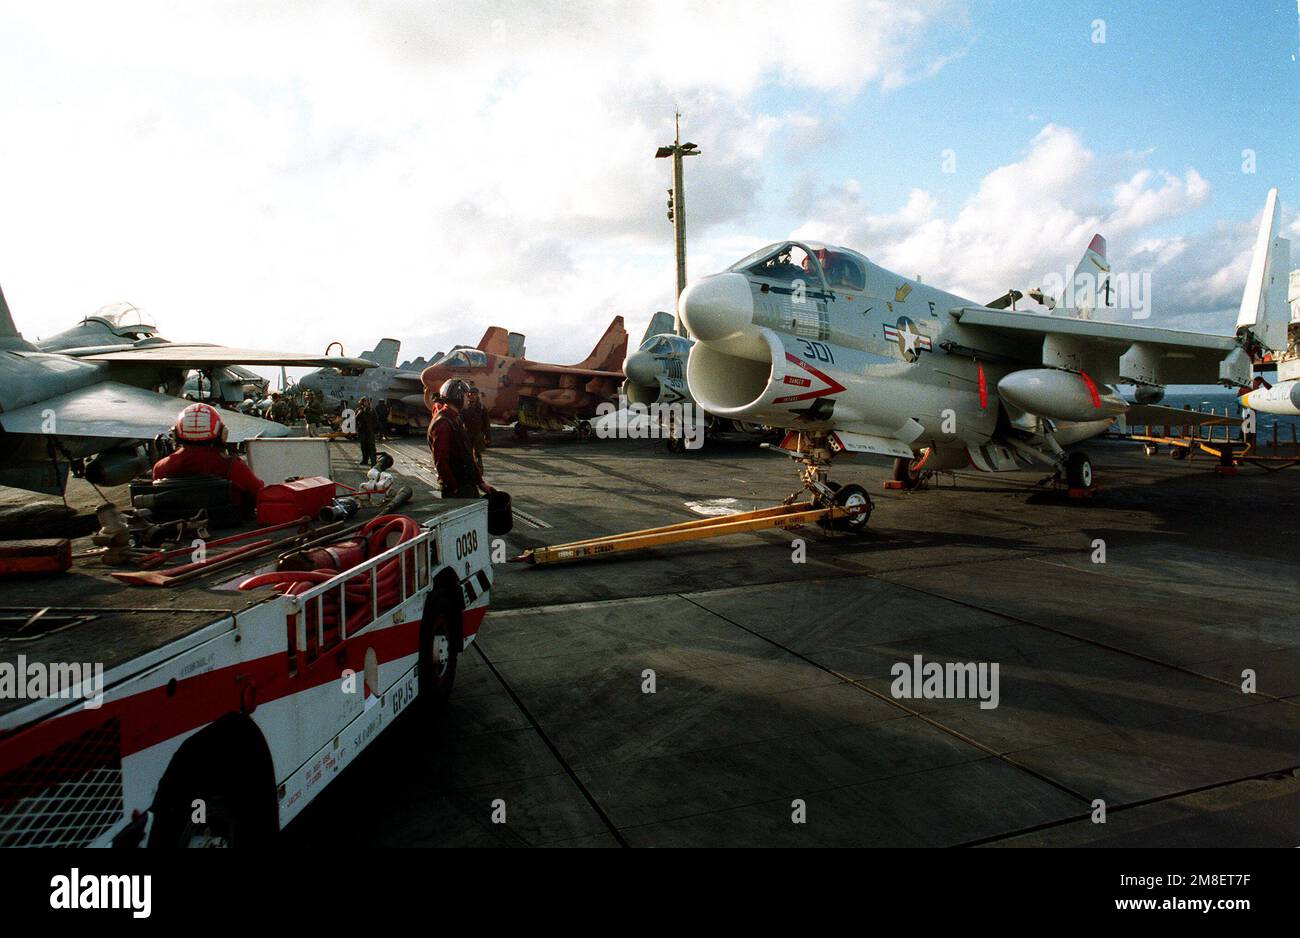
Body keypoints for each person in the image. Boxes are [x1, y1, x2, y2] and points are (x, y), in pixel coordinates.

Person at [152, 402, 265, 515]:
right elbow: (261, 496)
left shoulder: (160, 467)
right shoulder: (233, 467)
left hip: (176, 530)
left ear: (175, 433)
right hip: (228, 528)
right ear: (222, 434)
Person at [427, 378, 494, 499]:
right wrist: (454, 487)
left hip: (467, 484)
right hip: (459, 488)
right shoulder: (443, 423)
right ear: (458, 397)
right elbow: (441, 461)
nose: (467, 399)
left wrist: (480, 482)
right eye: (465, 396)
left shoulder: (454, 418)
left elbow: (467, 454)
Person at [460, 385, 492, 472]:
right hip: (467, 434)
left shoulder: (482, 408)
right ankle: (469, 471)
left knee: (478, 455)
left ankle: (479, 472)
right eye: (470, 394)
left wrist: (488, 437)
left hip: (478, 435)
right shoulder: (464, 408)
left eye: (474, 394)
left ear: (477, 395)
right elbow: (460, 422)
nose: (472, 396)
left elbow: (486, 423)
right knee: (467, 454)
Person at [355, 396, 381, 466]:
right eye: (363, 401)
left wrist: (375, 430)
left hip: (370, 431)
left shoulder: (372, 410)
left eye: (366, 401)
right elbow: (355, 420)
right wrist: (359, 413)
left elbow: (376, 420)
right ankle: (365, 460)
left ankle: (373, 462)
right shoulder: (358, 410)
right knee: (363, 447)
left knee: (371, 447)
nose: (365, 402)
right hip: (362, 431)